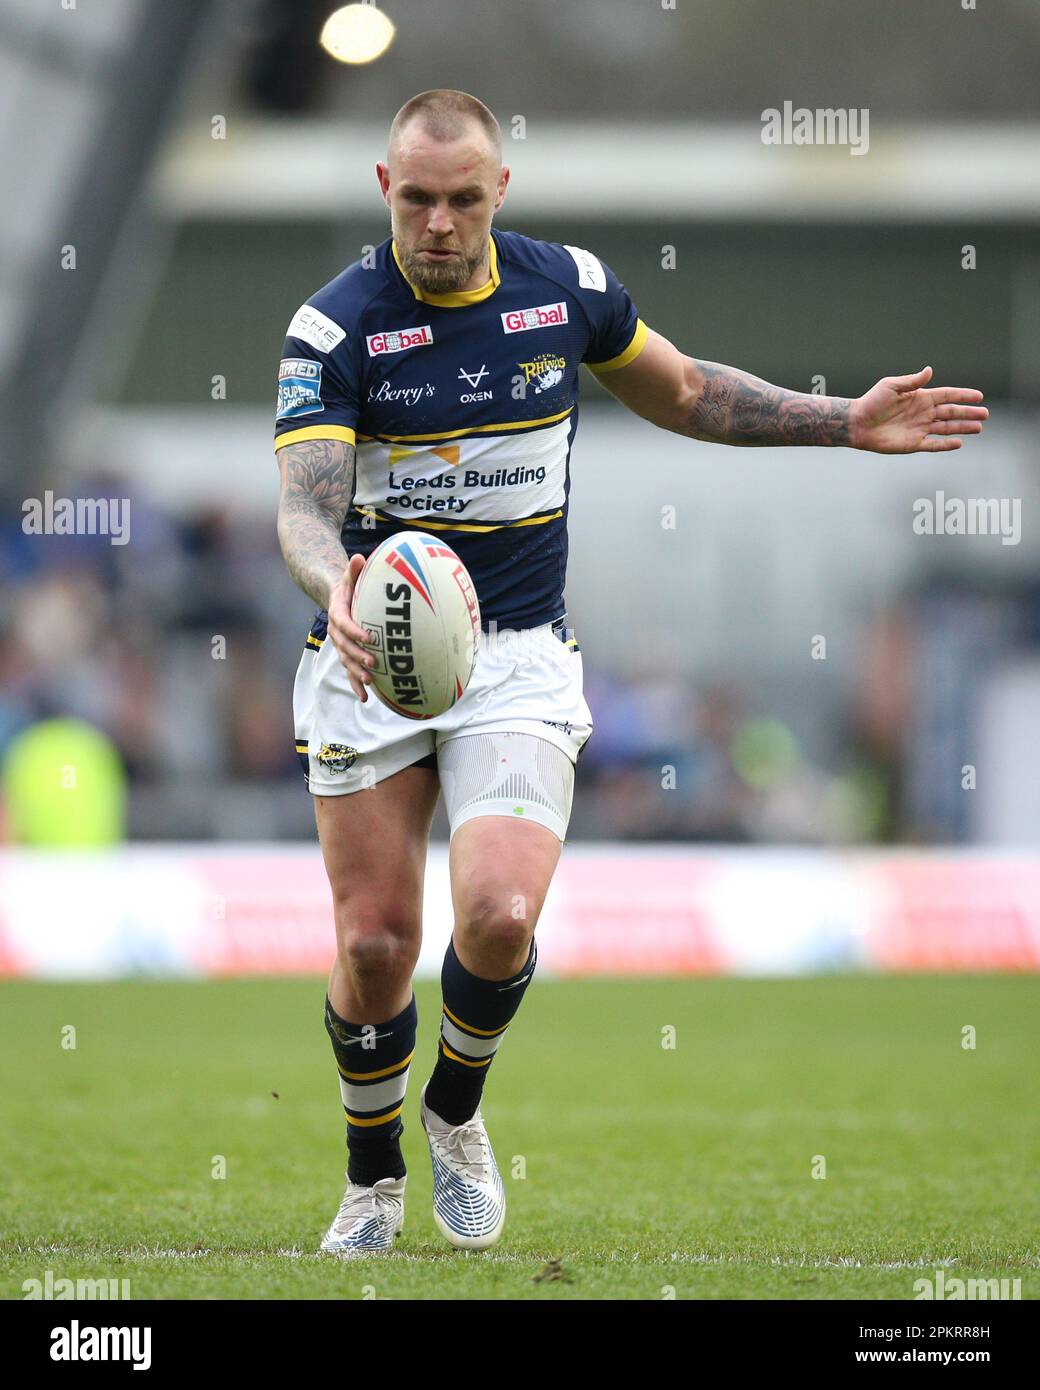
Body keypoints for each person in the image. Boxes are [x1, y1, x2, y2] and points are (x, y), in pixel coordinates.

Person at [274, 89, 987, 1256]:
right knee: (372, 945)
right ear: (383, 190)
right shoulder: (334, 327)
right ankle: (369, 1177)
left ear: (499, 192)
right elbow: (304, 511)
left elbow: (690, 393)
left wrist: (841, 421)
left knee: (499, 916)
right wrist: (333, 587)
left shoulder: (564, 290)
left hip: (513, 655)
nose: (440, 223)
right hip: (374, 650)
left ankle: (452, 1110)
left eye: (462, 199)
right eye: (417, 199)